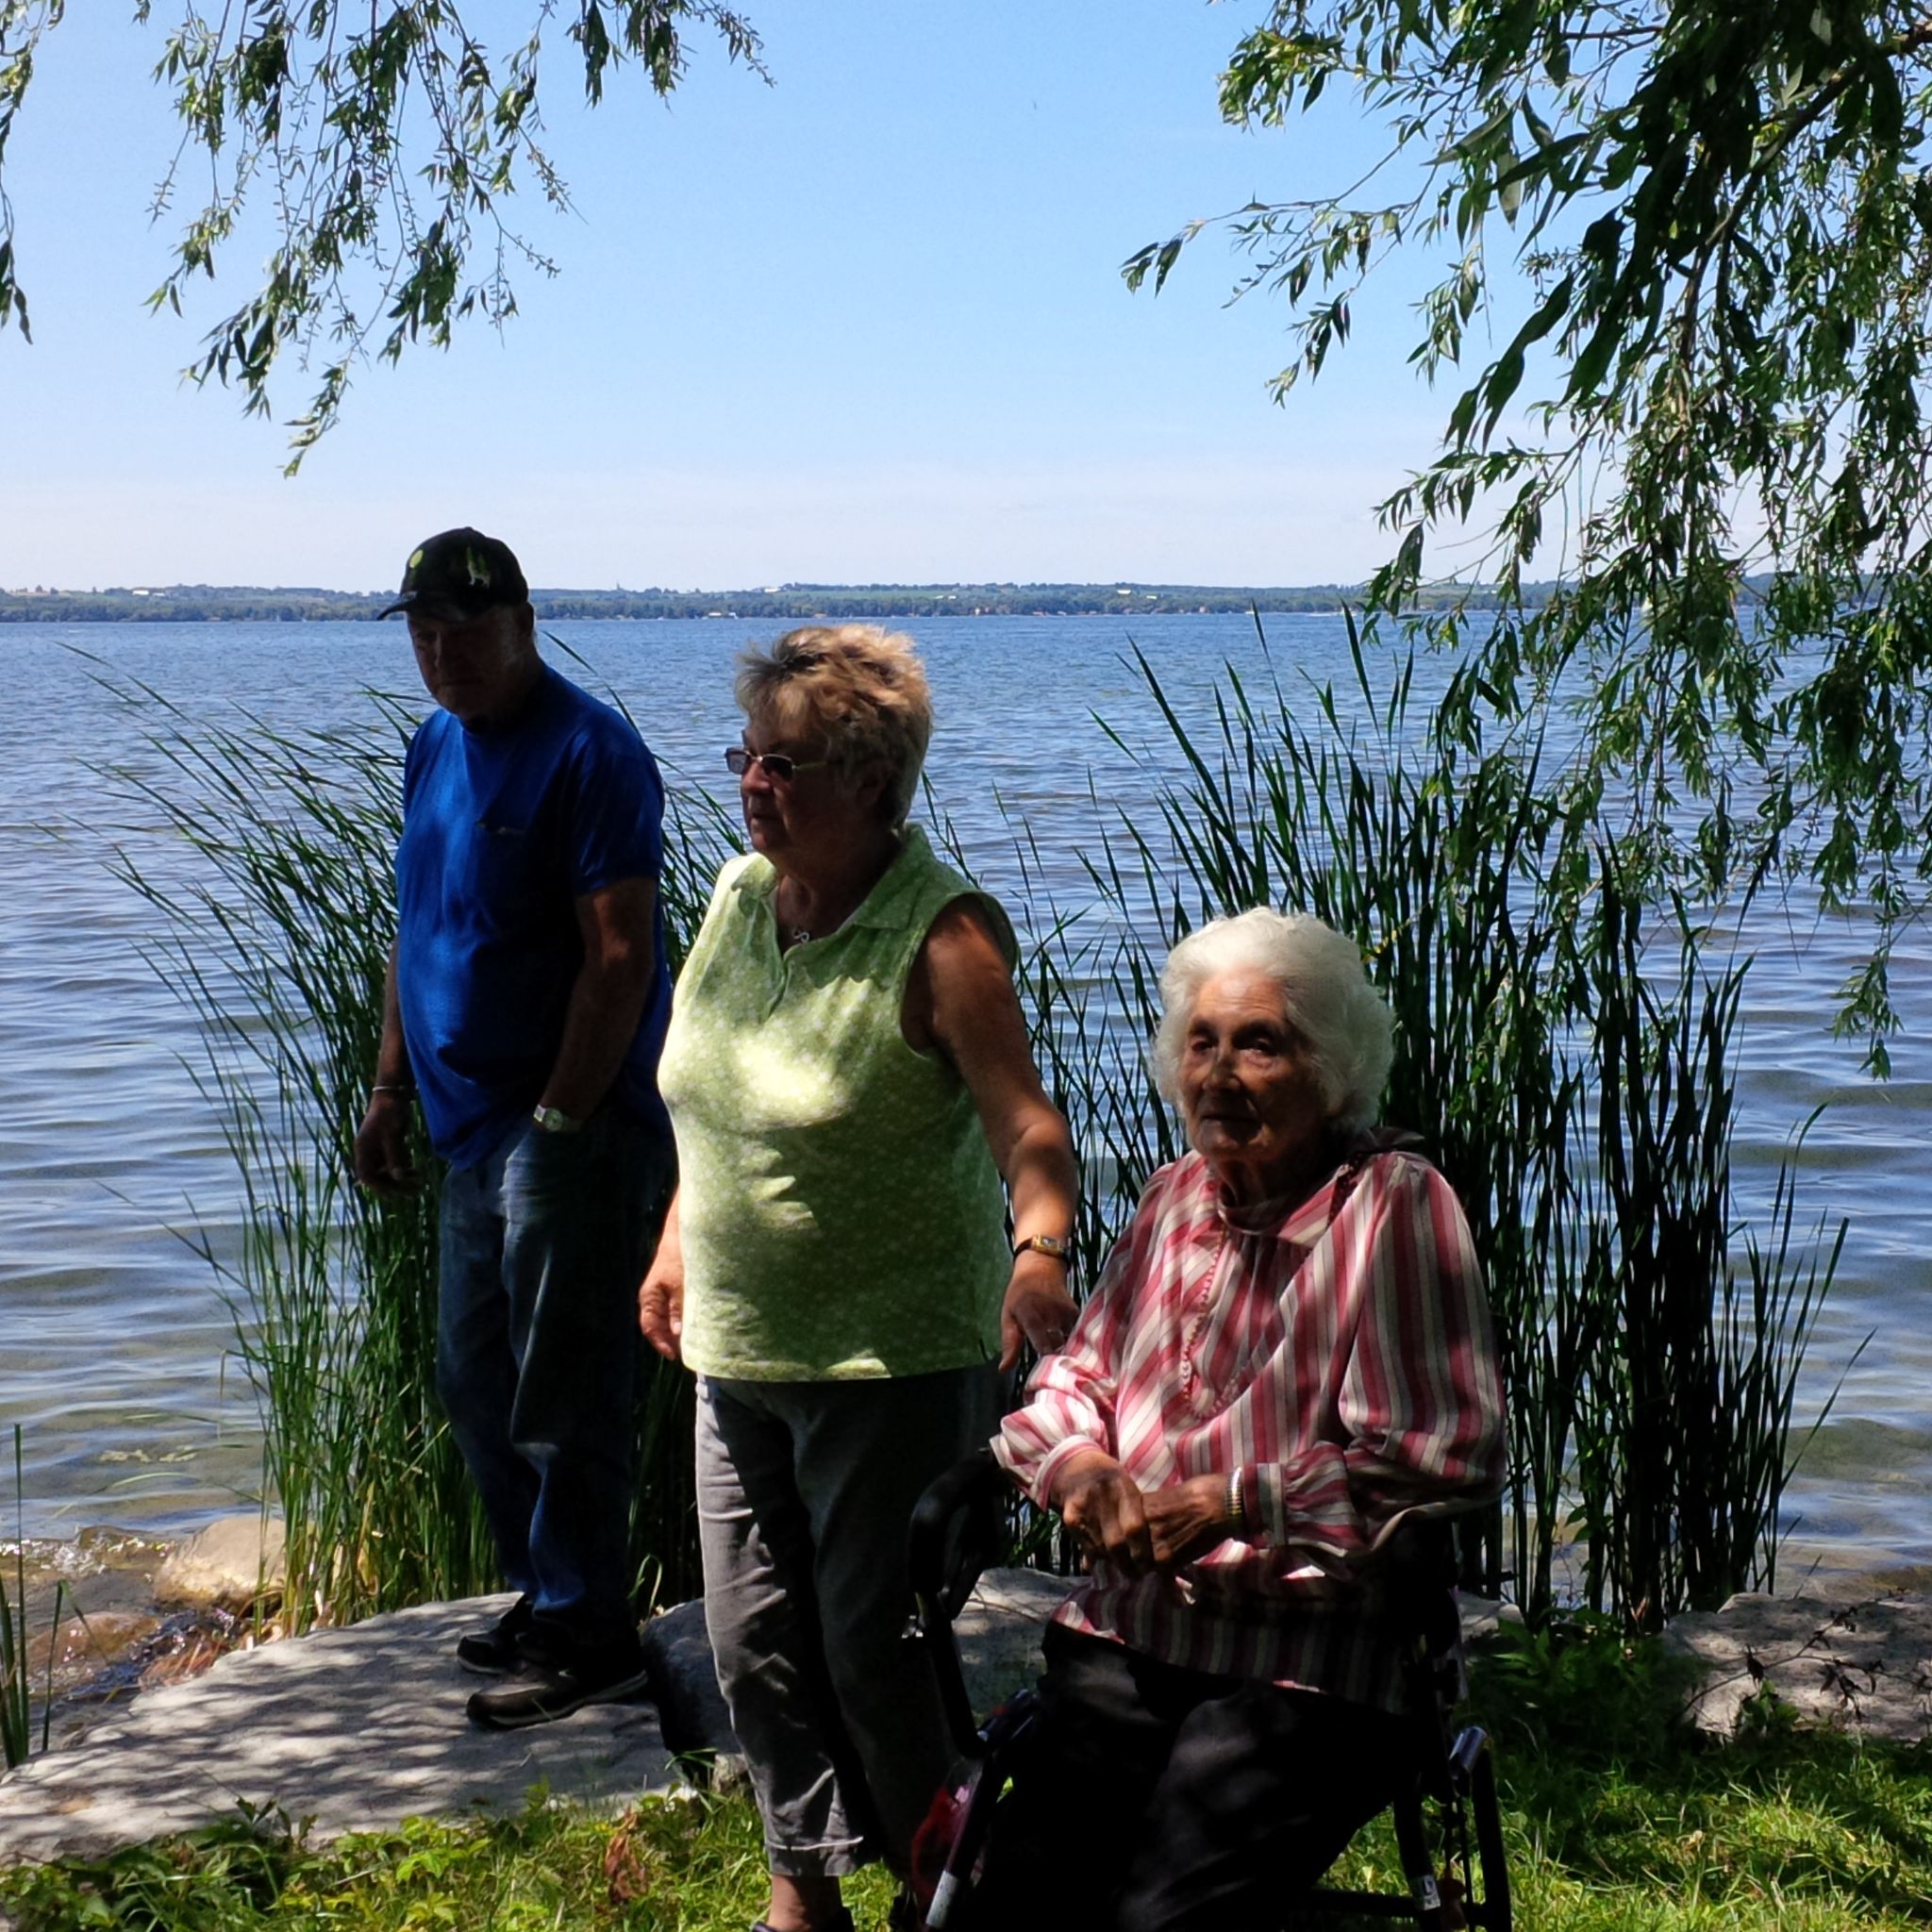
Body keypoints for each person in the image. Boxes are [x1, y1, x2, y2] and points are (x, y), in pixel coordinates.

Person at [639, 624, 1079, 1932]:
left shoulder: (942, 936)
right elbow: (712, 1100)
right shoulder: (737, 898)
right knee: (750, 1650)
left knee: (874, 1658)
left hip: (889, 1360)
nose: (753, 783)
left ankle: (956, 1893)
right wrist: (675, 1239)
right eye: (747, 755)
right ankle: (804, 1895)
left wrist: (1041, 1251)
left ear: (873, 780)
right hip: (737, 1348)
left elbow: (1026, 1126)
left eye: (787, 764)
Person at [983, 908, 1505, 1932]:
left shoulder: (1393, 1208)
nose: (1218, 1075)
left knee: (1161, 1921)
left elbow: (1441, 1453)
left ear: (1332, 1071)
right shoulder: (1172, 1197)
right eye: (1201, 1043)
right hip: (1133, 1634)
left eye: (1258, 1044)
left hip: (1311, 1664)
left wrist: (1230, 1503)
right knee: (1014, 1905)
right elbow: (1071, 1383)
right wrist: (1081, 1465)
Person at [352, 526, 675, 1729]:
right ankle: (548, 1597)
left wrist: (561, 1113)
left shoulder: (591, 749)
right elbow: (416, 924)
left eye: (466, 630)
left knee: (564, 1383)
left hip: (566, 1127)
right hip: (464, 1126)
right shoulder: (432, 745)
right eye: (423, 632)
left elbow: (620, 955)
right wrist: (390, 1087)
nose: (443, 654)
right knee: (473, 1376)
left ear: (523, 623)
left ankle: (594, 1633)